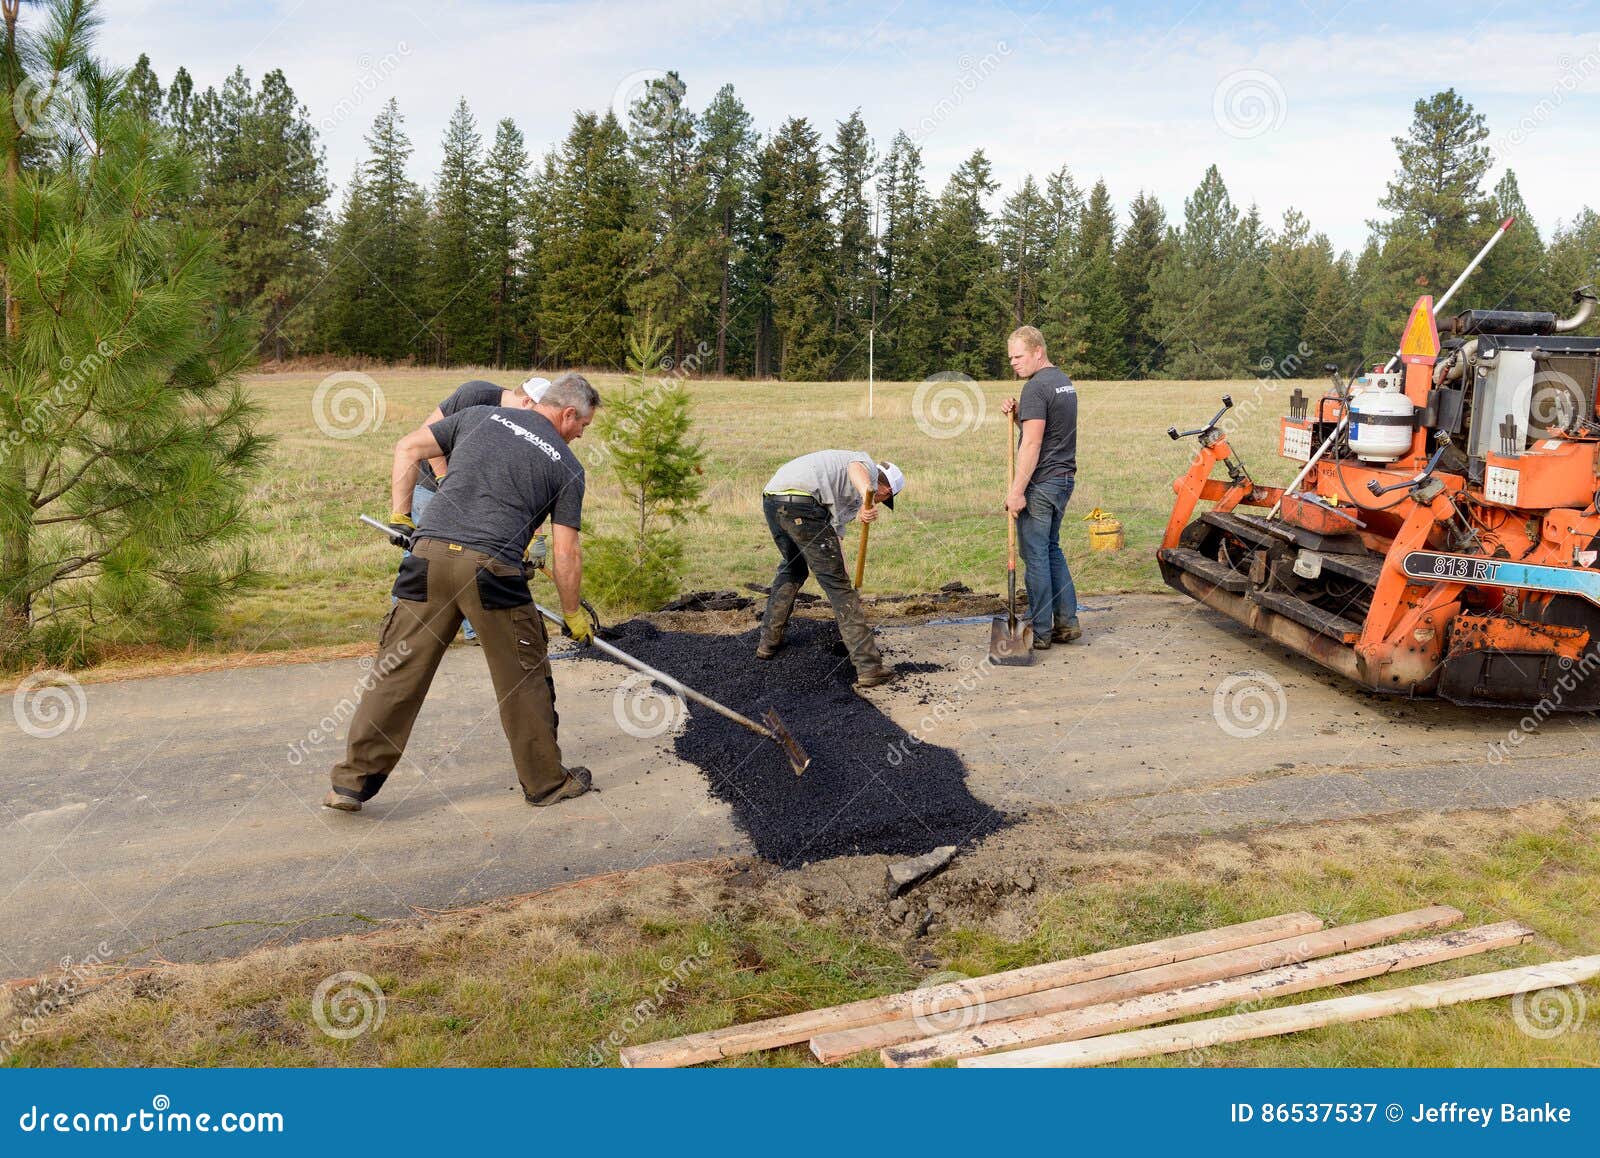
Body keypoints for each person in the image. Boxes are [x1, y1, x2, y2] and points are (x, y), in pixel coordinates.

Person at [324, 372, 601, 813]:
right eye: (583, 426)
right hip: (493, 571)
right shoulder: (567, 465)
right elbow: (566, 551)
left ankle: (351, 783)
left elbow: (408, 447)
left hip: (426, 558)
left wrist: (401, 516)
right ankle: (547, 783)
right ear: (567, 413)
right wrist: (572, 613)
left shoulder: (478, 416)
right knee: (523, 678)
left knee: (396, 675)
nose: (581, 436)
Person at [409, 377, 551, 642]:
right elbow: (424, 437)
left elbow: (524, 482)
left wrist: (536, 535)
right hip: (434, 490)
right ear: (527, 401)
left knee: (473, 557)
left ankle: (476, 630)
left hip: (475, 496)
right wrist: (447, 484)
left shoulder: (518, 426)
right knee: (425, 562)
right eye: (538, 414)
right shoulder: (475, 394)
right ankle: (405, 630)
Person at [757, 450, 905, 687]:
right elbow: (856, 470)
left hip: (774, 499)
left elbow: (834, 540)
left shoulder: (844, 499)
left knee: (793, 569)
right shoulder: (864, 464)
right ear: (886, 490)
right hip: (801, 504)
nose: (881, 501)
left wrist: (845, 578)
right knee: (837, 589)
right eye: (884, 498)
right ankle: (869, 668)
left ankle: (768, 643)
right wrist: (867, 497)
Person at [1002, 325, 1081, 649]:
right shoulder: (1063, 382)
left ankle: (1040, 631)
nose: (1013, 363)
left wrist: (1017, 491)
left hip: (1042, 483)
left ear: (1038, 351)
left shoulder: (1035, 388)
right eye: (1010, 358)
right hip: (1064, 480)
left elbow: (1033, 444)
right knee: (1051, 549)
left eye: (1019, 356)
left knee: (1035, 555)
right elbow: (1048, 428)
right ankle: (1066, 623)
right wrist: (1021, 415)